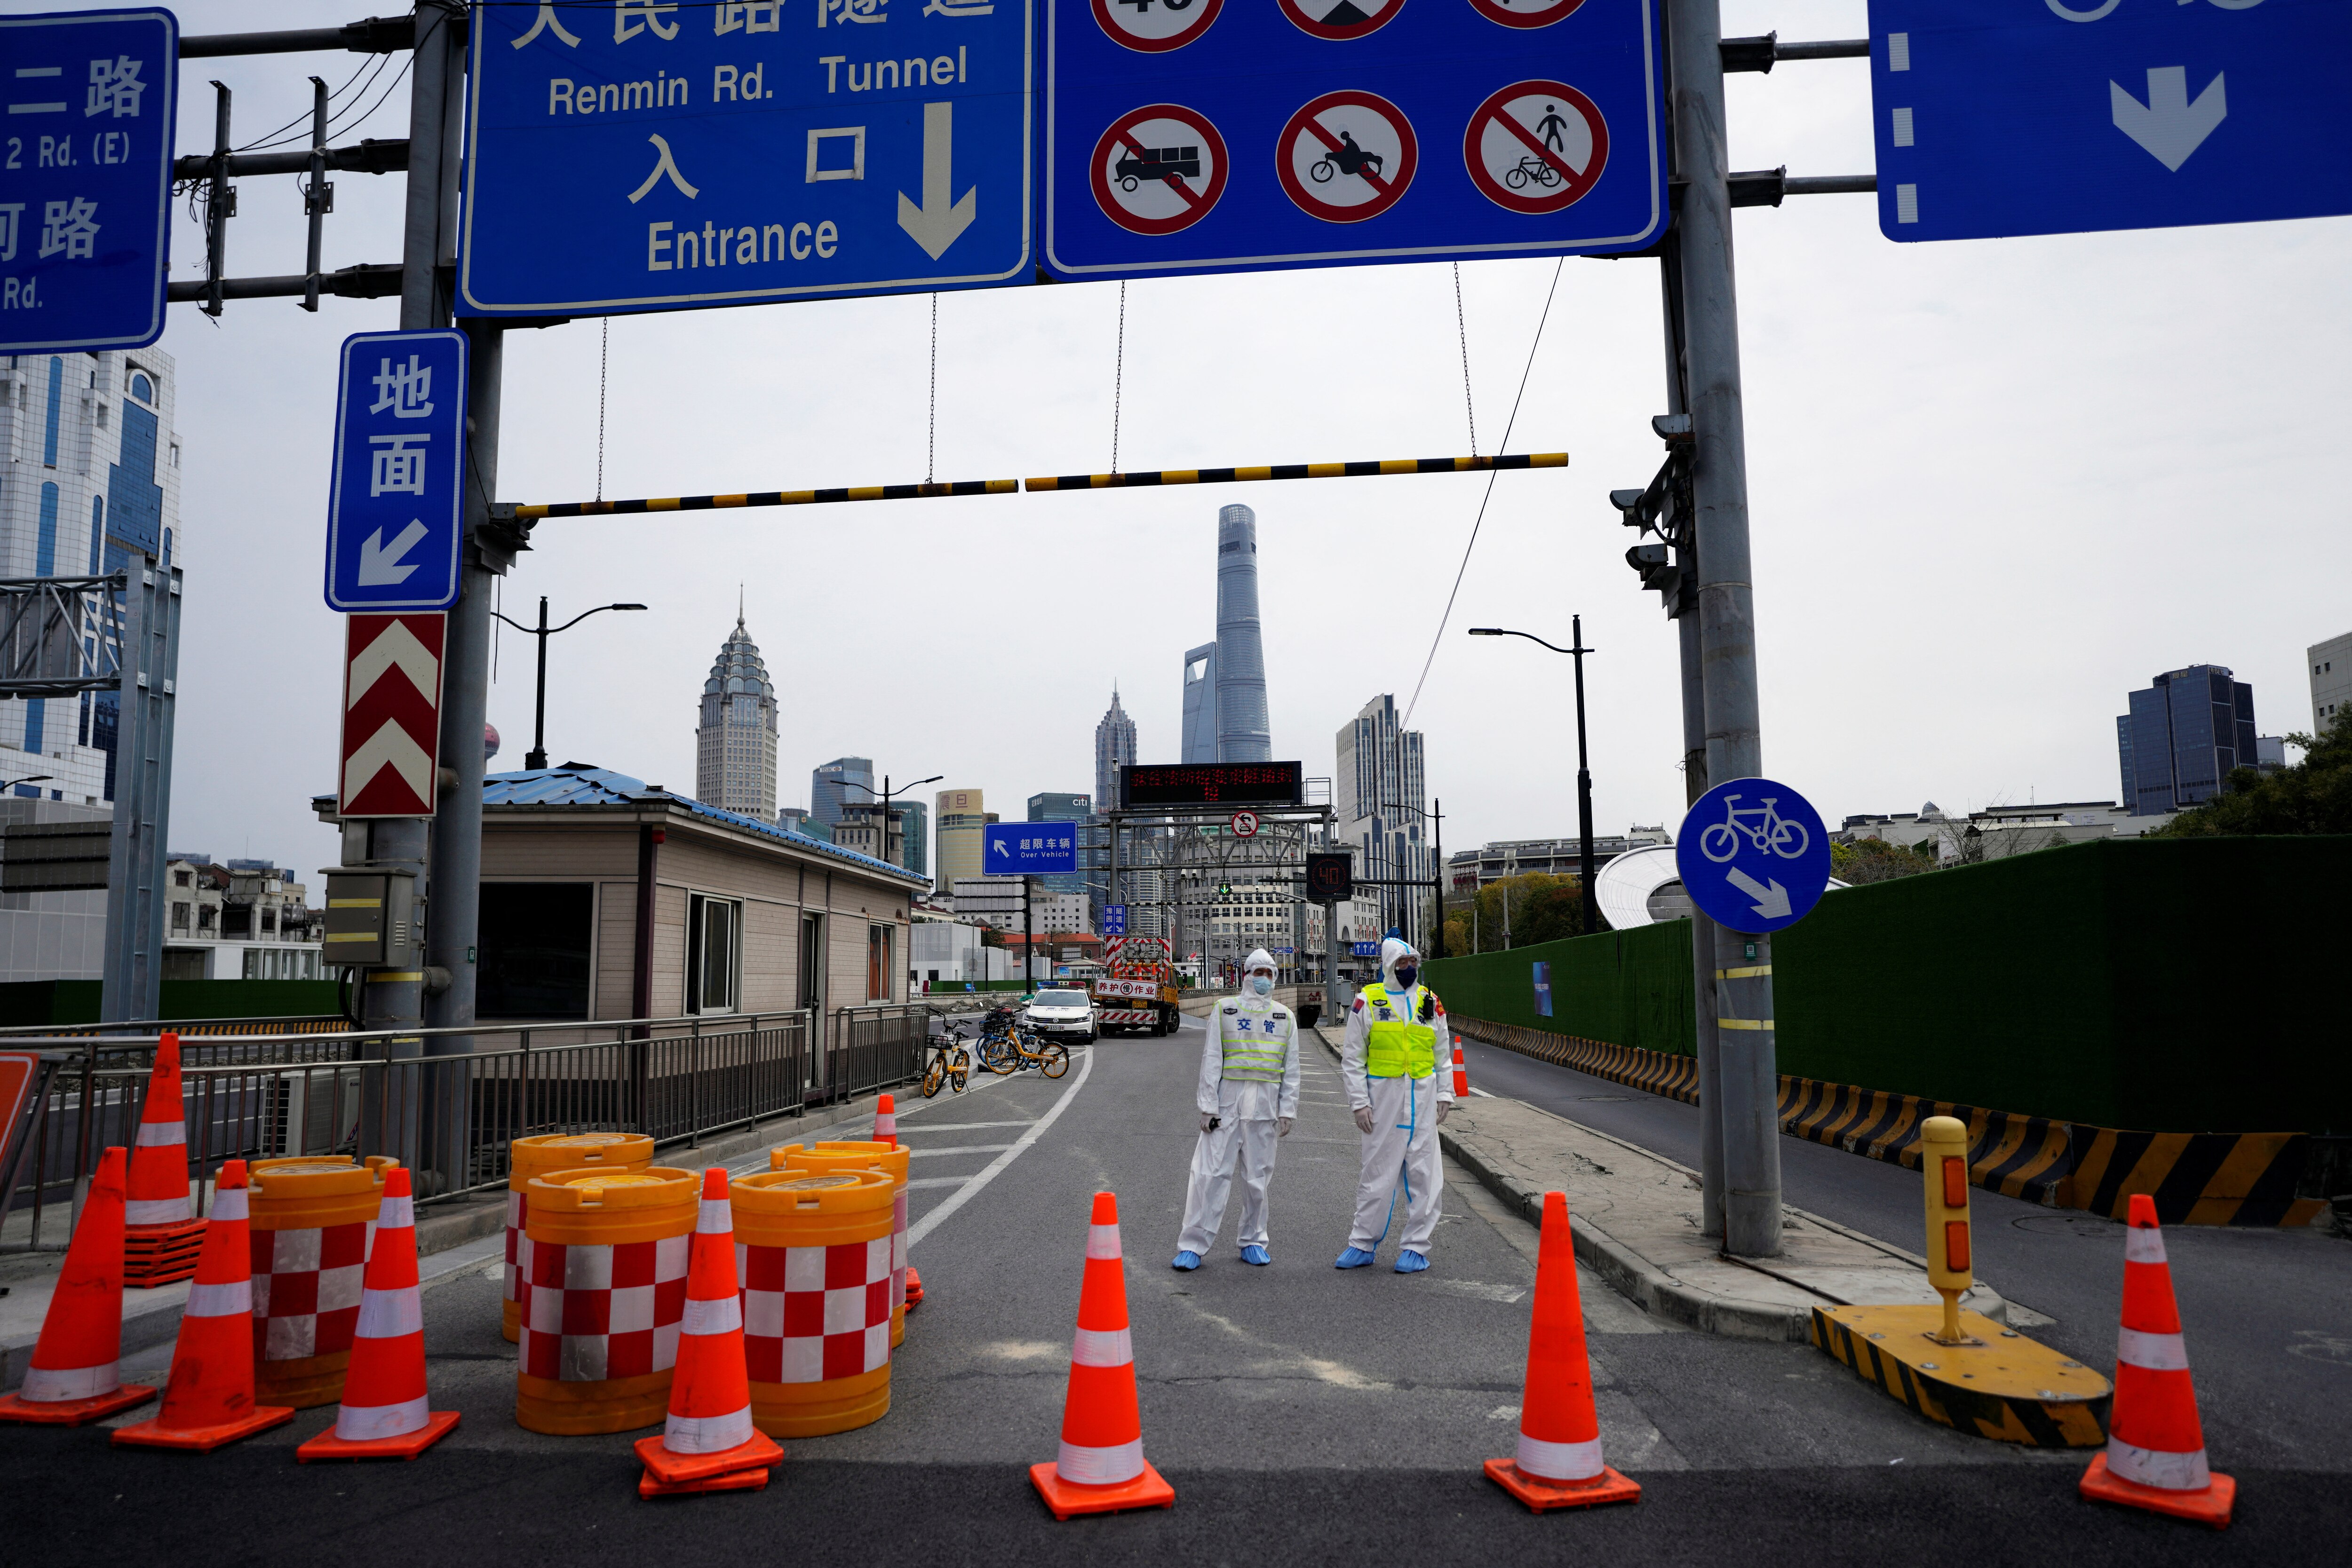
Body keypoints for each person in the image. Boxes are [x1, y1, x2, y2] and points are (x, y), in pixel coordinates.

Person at [1172, 948, 1299, 1270]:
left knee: (1258, 1180)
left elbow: (1292, 1069)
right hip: (1227, 1107)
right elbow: (1212, 1060)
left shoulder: (1285, 1017)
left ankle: (1253, 1240)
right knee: (1210, 1174)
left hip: (1264, 1109)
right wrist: (1208, 1107)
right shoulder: (1225, 1010)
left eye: (1270, 974)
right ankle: (1192, 1246)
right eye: (1259, 973)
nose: (1264, 979)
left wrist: (1287, 1110)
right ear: (1247, 976)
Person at [1336, 934, 1453, 1274]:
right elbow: (1353, 1058)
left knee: (1425, 1177)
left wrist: (1445, 1094)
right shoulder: (1368, 1002)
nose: (1409, 968)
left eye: (1413, 962)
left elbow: (1442, 1053)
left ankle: (1416, 1249)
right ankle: (1362, 1244)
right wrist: (1359, 1103)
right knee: (1376, 1176)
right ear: (1389, 966)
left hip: (1422, 1102)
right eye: (1402, 963)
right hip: (1383, 1104)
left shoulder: (1430, 1002)